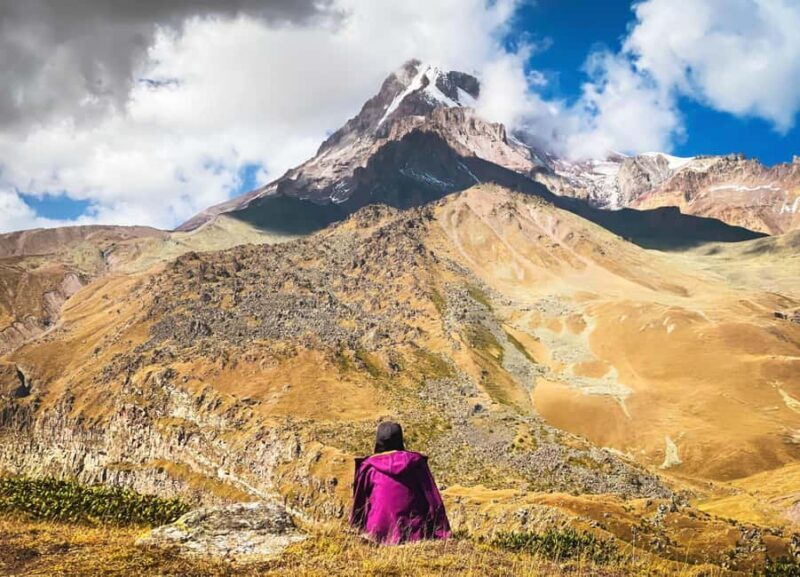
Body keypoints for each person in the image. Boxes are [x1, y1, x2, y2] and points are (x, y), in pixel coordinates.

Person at [349, 421, 451, 544]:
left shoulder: (368, 467)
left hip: (376, 533)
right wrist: (442, 531)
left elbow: (359, 502)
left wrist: (357, 527)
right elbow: (432, 499)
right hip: (413, 532)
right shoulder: (416, 463)